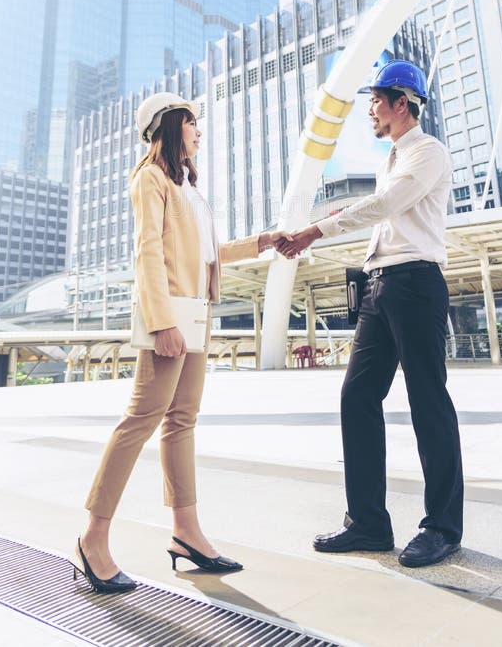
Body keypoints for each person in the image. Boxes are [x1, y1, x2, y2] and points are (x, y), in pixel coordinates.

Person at [73, 93, 288, 592]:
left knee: (181, 422)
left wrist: (263, 241)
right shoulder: (148, 178)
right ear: (168, 127)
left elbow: (209, 252)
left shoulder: (187, 188)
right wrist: (161, 320)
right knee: (140, 421)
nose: (198, 130)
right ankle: (93, 537)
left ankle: (186, 534)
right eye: (190, 122)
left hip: (196, 315)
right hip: (170, 315)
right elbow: (147, 253)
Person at [277, 60, 464, 568]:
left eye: (376, 101)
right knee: (357, 396)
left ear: (402, 103)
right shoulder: (395, 157)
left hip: (417, 285)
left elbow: (385, 205)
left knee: (428, 402)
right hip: (380, 286)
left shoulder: (428, 152)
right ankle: (368, 524)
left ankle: (442, 527)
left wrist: (315, 230)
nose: (370, 111)